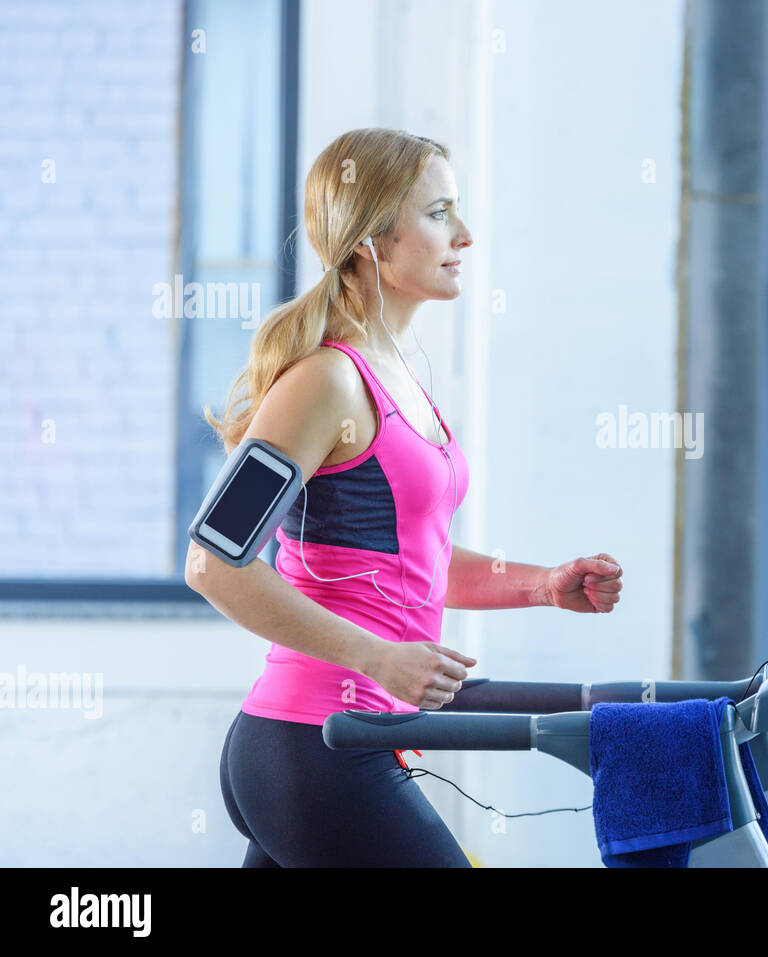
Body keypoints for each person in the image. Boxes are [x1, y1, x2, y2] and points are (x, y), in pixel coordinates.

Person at [186, 128, 623, 867]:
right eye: (438, 212)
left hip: (331, 747)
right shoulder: (326, 381)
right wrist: (379, 657)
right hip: (316, 742)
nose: (465, 235)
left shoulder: (397, 379)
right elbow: (214, 562)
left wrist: (543, 585)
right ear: (371, 241)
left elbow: (415, 560)